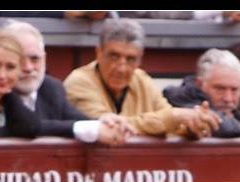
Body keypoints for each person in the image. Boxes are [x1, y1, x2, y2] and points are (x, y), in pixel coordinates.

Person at [63, 18, 221, 139]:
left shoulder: (141, 79)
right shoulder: (79, 82)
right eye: (114, 56)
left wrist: (194, 124)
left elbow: (171, 122)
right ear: (98, 53)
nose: (121, 68)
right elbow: (111, 127)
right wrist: (176, 117)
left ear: (140, 59)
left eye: (130, 59)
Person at [2, 19, 134, 146]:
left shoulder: (51, 88)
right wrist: (92, 129)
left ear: (44, 58)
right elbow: (27, 126)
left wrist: (106, 123)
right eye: (19, 60)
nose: (28, 68)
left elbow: (78, 120)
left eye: (34, 58)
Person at [163, 48, 240, 139]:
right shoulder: (181, 98)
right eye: (219, 89)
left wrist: (236, 115)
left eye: (234, 90)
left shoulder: (238, 105)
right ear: (200, 83)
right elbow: (228, 129)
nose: (228, 98)